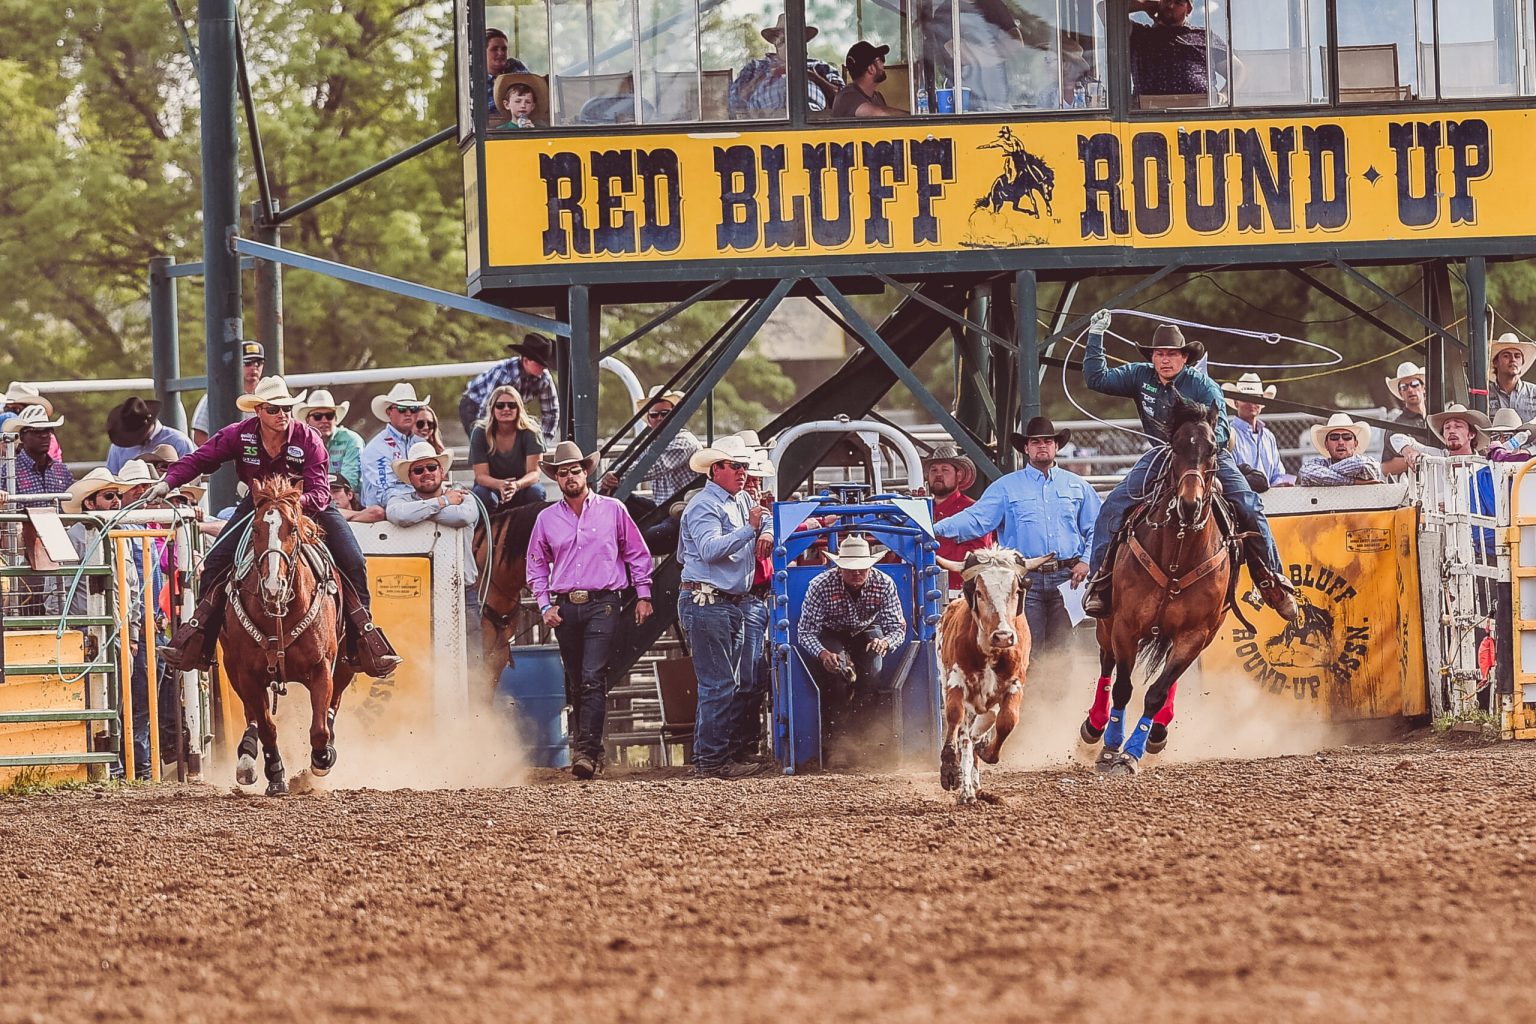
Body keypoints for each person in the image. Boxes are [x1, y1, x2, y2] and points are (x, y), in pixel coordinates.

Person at [153, 377, 401, 678]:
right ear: (258, 411)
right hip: (259, 506)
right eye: (274, 409)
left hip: (309, 506)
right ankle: (200, 640)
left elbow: (321, 493)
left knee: (352, 560)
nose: (282, 414)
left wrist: (289, 503)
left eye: (286, 408)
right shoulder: (238, 435)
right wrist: (167, 482)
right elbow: (201, 458)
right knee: (217, 560)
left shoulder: (308, 438)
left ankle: (364, 639)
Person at [1081, 310, 1297, 620]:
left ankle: (1273, 579)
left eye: (1171, 354)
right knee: (1114, 505)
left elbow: (1221, 432)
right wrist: (1096, 336)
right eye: (1159, 354)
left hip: (1207, 456)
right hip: (1162, 453)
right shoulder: (1140, 376)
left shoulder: (1203, 386)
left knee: (1248, 505)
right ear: (1152, 356)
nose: (1165, 360)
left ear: (1185, 358)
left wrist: (1197, 447)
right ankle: (1100, 582)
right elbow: (1096, 378)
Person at [527, 441, 655, 780]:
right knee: (577, 679)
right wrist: (544, 605)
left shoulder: (613, 510)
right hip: (567, 606)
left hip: (604, 602)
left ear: (586, 472)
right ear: (556, 478)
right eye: (563, 472)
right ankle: (591, 750)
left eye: (574, 470)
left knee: (590, 676)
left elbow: (637, 553)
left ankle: (585, 751)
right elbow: (537, 565)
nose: (569, 476)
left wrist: (643, 594)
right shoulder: (546, 519)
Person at [934, 417, 1099, 649]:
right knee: (1023, 648)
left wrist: (1086, 561)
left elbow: (1097, 527)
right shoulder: (1005, 487)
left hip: (1068, 577)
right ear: (1026, 448)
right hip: (1021, 577)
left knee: (1063, 648)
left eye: (1048, 441)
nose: (1042, 446)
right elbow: (976, 519)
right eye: (1035, 442)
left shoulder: (1078, 486)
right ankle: (1030, 686)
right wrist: (934, 528)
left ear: (1056, 446)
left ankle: (1061, 685)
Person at [677, 435, 773, 779]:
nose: (743, 472)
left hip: (720, 600)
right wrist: (751, 531)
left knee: (723, 683)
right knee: (720, 684)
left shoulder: (739, 500)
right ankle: (711, 760)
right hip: (709, 601)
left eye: (744, 466)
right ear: (716, 469)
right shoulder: (706, 506)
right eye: (736, 466)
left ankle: (714, 757)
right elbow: (709, 549)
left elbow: (765, 518)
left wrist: (765, 531)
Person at [797, 534, 907, 766]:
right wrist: (822, 653)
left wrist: (886, 642)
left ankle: (864, 741)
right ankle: (837, 744)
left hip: (868, 628)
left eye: (862, 568)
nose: (857, 573)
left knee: (873, 675)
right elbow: (806, 632)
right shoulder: (820, 585)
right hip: (832, 631)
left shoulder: (884, 583)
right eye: (850, 569)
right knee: (835, 679)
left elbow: (897, 627)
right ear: (839, 568)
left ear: (870, 567)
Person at [385, 441, 482, 679]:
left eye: (431, 467)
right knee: (419, 662)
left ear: (442, 471)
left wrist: (421, 513)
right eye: (418, 470)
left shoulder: (465, 496)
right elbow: (397, 514)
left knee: (473, 662)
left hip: (463, 592)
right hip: (419, 595)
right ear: (410, 477)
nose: (426, 473)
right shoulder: (405, 499)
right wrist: (443, 501)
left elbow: (464, 515)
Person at [598, 386, 702, 551]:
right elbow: (633, 464)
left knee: (635, 542)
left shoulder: (684, 441)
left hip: (685, 515)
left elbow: (651, 467)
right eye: (654, 414)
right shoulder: (652, 442)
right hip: (663, 510)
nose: (659, 418)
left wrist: (616, 476)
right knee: (617, 499)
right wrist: (612, 478)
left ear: (676, 414)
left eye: (665, 413)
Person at [1117, 0, 1239, 104]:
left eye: (1178, 2)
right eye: (1166, 0)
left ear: (1189, 9)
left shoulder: (1204, 37)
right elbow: (1104, 9)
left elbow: (1237, 70)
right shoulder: (1138, 34)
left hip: (1201, 117)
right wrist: (1143, 5)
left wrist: (1224, 95)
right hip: (1148, 117)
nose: (1170, 6)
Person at [730, 15, 846, 118]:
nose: (790, 44)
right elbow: (735, 102)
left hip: (812, 122)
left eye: (796, 38)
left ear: (804, 42)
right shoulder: (756, 67)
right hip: (764, 124)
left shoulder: (820, 67)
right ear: (776, 44)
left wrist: (811, 76)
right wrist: (765, 76)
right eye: (784, 40)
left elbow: (844, 100)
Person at [459, 333, 559, 439]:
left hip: (506, 408)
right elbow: (487, 409)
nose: (543, 368)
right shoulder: (505, 375)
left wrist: (543, 441)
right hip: (475, 404)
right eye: (540, 364)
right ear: (526, 360)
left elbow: (551, 411)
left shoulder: (544, 378)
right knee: (485, 445)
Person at [922, 444, 993, 590]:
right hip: (922, 589)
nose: (938, 474)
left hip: (960, 591)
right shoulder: (921, 508)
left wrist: (928, 552)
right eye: (934, 470)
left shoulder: (974, 510)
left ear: (959, 475)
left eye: (945, 469)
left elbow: (979, 554)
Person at [469, 385, 545, 512]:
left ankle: (532, 531)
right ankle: (487, 531)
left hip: (522, 487)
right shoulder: (480, 432)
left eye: (511, 405)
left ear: (519, 408)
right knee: (481, 494)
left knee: (536, 492)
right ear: (492, 409)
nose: (506, 409)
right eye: (500, 405)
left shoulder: (531, 431)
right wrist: (501, 485)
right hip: (491, 488)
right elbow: (481, 476)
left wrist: (516, 485)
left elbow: (535, 473)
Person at [360, 382, 431, 508]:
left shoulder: (421, 443)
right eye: (402, 409)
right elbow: (384, 492)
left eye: (413, 409)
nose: (408, 413)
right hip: (386, 513)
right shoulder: (376, 448)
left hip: (419, 503)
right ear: (389, 412)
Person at [1222, 372, 1291, 489]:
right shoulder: (1229, 434)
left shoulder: (1268, 436)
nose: (1251, 403)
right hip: (1243, 500)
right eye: (1246, 398)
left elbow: (1279, 473)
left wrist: (1285, 482)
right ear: (1236, 403)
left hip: (1273, 498)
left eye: (1256, 398)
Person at [190, 340, 265, 444]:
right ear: (236, 364)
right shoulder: (218, 395)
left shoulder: (270, 394)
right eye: (247, 363)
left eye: (258, 363)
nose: (254, 367)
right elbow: (199, 435)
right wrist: (220, 454)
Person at [296, 389, 364, 492]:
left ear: (335, 419)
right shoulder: (299, 443)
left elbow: (350, 482)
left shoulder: (352, 440)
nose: (324, 420)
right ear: (307, 420)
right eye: (317, 416)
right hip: (313, 497)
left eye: (329, 416)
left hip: (344, 497)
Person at [1298, 414, 1384, 486]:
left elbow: (1364, 465)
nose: (1341, 442)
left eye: (1347, 437)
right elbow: (1306, 473)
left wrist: (1324, 475)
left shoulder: (1366, 461)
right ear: (1326, 445)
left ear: (1355, 444)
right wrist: (1354, 482)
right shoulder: (1317, 463)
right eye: (1334, 437)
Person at [9, 405, 71, 503]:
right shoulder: (8, 472)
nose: (44, 435)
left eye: (48, 430)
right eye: (36, 431)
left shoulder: (62, 471)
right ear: (22, 436)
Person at [1380, 360, 1429, 477]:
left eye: (1415, 384)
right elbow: (1386, 468)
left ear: (1424, 388)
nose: (1410, 390)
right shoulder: (1396, 426)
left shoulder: (1438, 418)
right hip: (1415, 490)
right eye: (1404, 387)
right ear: (1401, 393)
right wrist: (1421, 459)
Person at [831, 41, 905, 117]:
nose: (883, 64)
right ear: (871, 69)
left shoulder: (877, 97)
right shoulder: (847, 97)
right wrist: (914, 117)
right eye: (881, 59)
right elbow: (880, 113)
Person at [2, 382, 64, 462]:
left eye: (16, 409)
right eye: (7, 409)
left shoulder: (46, 439)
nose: (10, 414)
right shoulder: (3, 434)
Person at [1488, 333, 1536, 423]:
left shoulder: (1534, 392)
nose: (1513, 359)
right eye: (1506, 356)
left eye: (1517, 356)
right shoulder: (1484, 395)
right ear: (1496, 362)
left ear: (1522, 362)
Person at [484, 28, 530, 114]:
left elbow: (532, 92)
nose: (501, 53)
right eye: (494, 49)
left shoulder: (514, 66)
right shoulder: (474, 79)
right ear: (482, 52)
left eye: (504, 49)